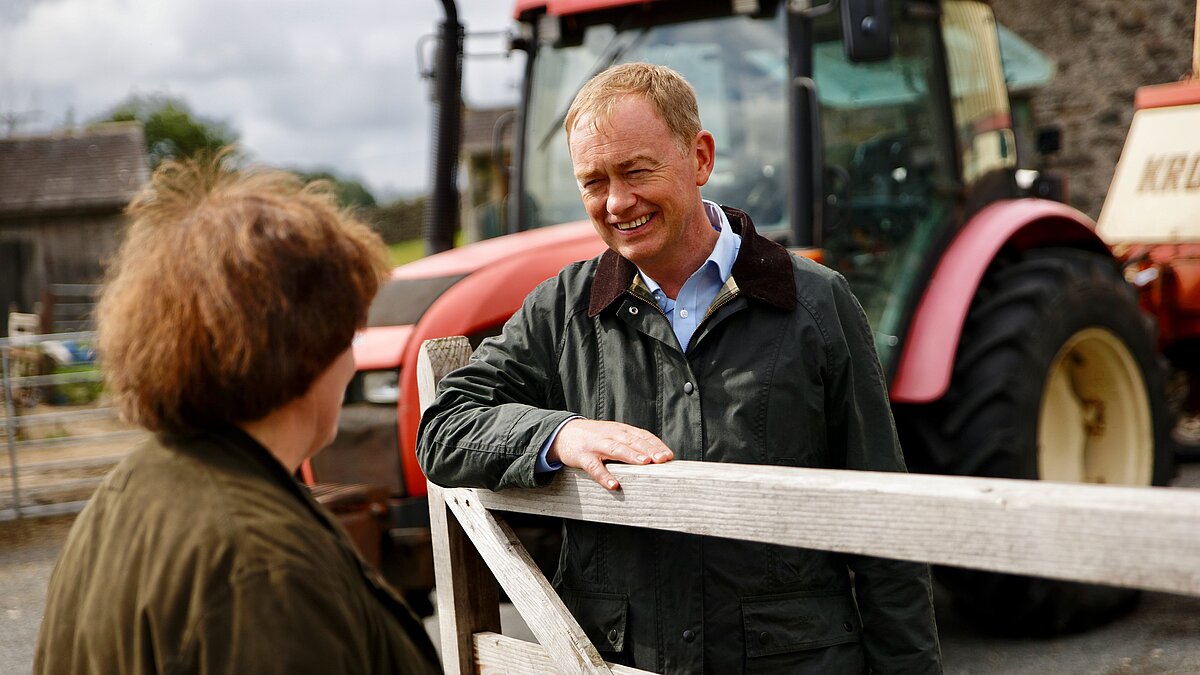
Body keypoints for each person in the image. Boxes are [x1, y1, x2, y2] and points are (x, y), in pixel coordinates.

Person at [418, 63, 941, 673]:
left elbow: (884, 522)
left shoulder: (818, 303)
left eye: (637, 171)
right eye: (594, 182)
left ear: (699, 158)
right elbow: (443, 429)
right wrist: (559, 434)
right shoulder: (560, 309)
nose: (617, 202)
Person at [35, 154, 441, 675]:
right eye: (348, 334)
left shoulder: (118, 499)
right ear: (305, 351)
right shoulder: (264, 569)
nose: (351, 361)